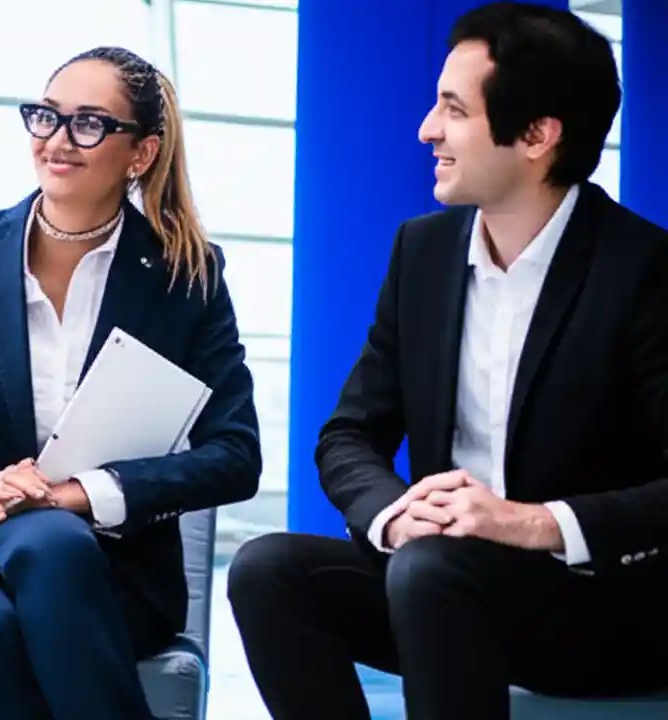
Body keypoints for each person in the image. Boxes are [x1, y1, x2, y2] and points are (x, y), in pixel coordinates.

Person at [228, 3, 668, 719]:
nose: (427, 129)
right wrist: (394, 519)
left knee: (432, 574)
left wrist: (528, 522)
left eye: (453, 109)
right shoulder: (423, 253)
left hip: (601, 609)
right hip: (441, 586)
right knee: (268, 570)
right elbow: (348, 436)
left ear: (537, 135)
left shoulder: (644, 270)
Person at [0, 45, 262, 720]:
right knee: (33, 554)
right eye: (46, 116)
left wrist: (80, 495)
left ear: (139, 154)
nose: (58, 139)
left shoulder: (185, 278)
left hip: (119, 576)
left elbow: (235, 457)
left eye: (89, 124)